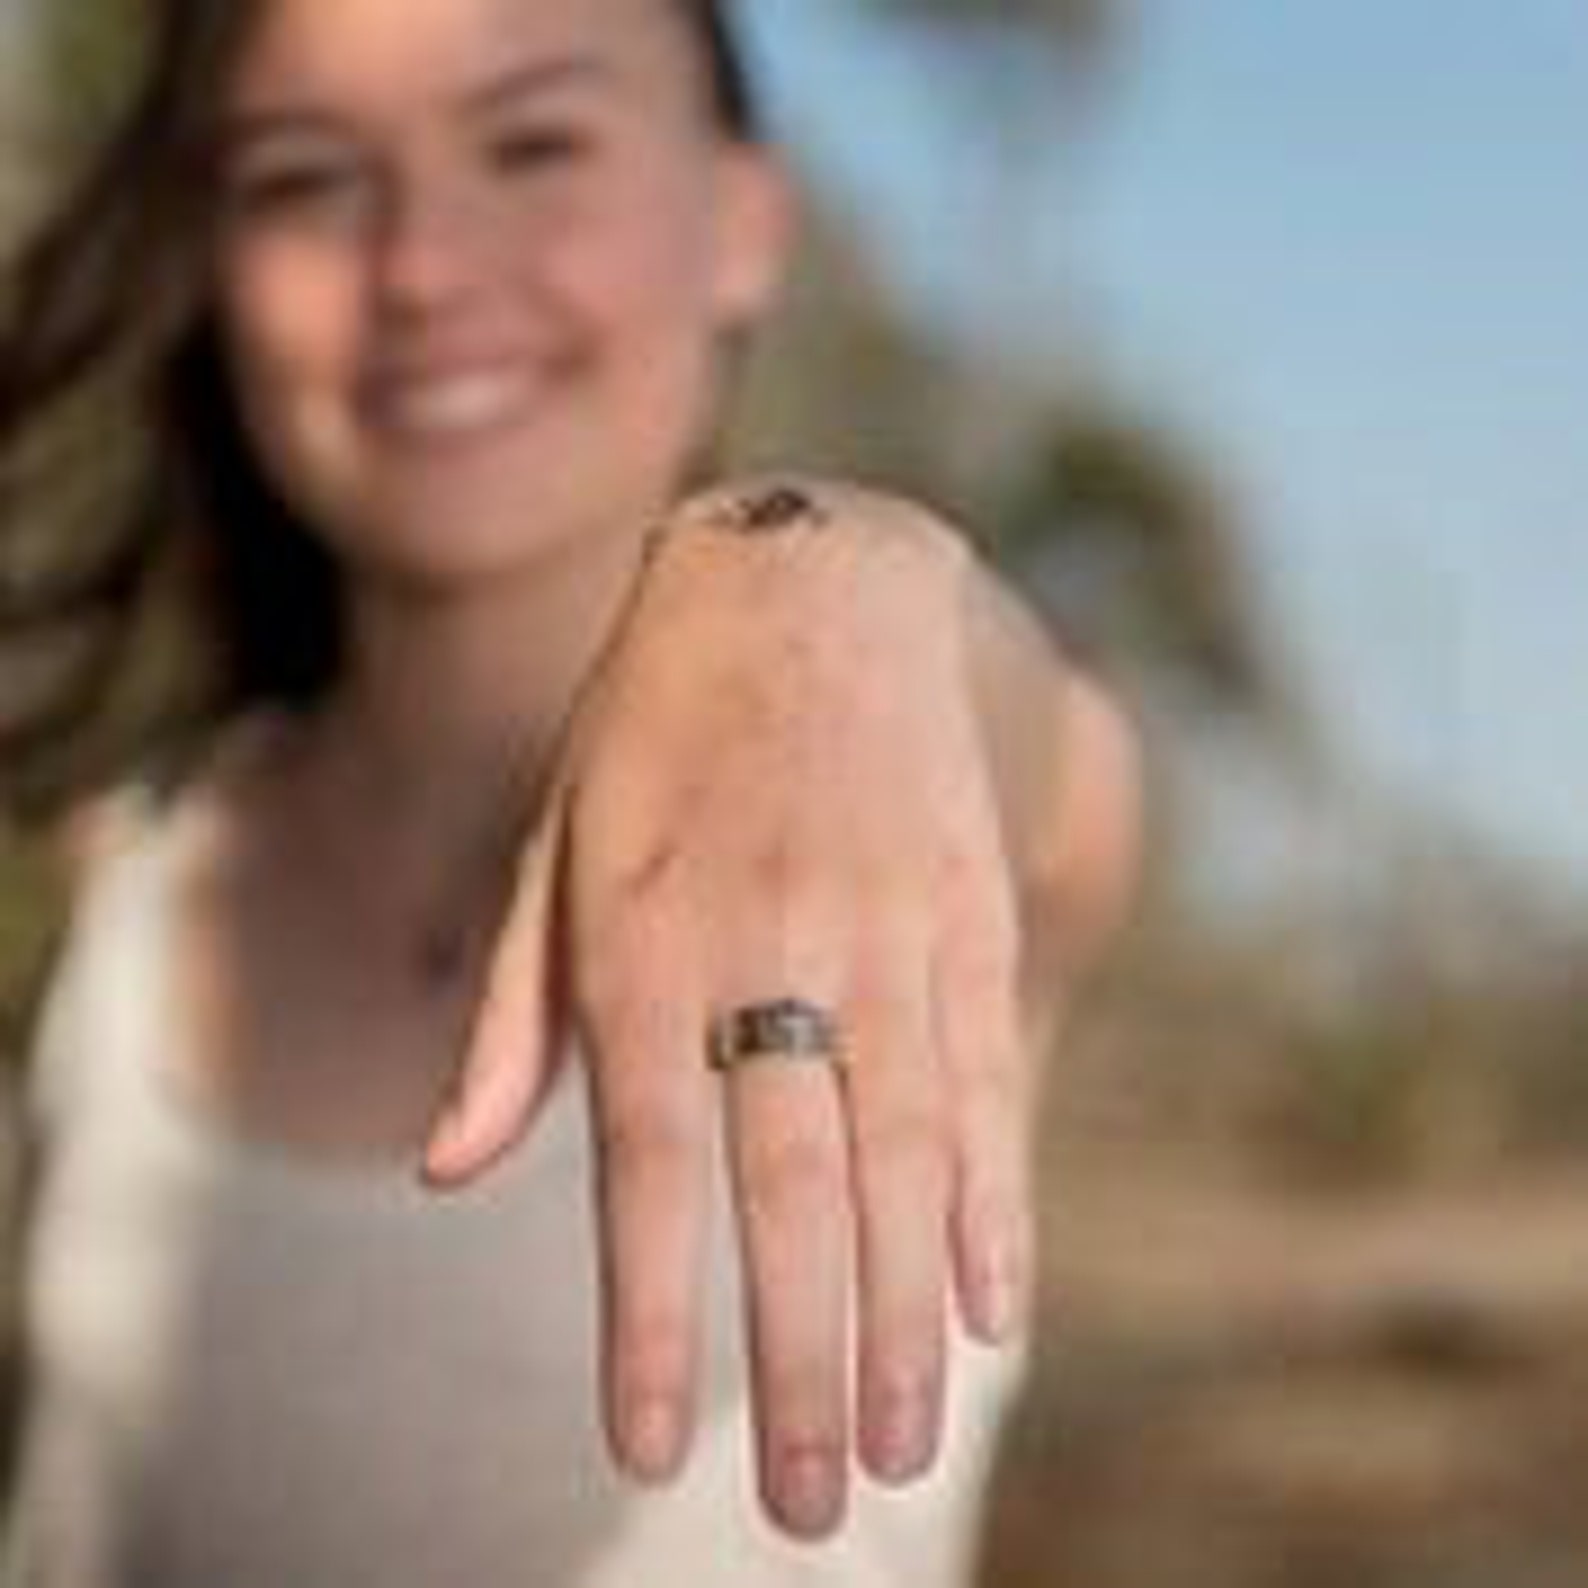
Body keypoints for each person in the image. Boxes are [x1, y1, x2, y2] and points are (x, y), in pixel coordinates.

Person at [0, 0, 1140, 1582]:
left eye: (533, 144)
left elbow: (1039, 748)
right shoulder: (125, 859)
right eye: (304, 178)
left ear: (745, 224)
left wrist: (844, 579)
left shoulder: (925, 806)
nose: (418, 268)